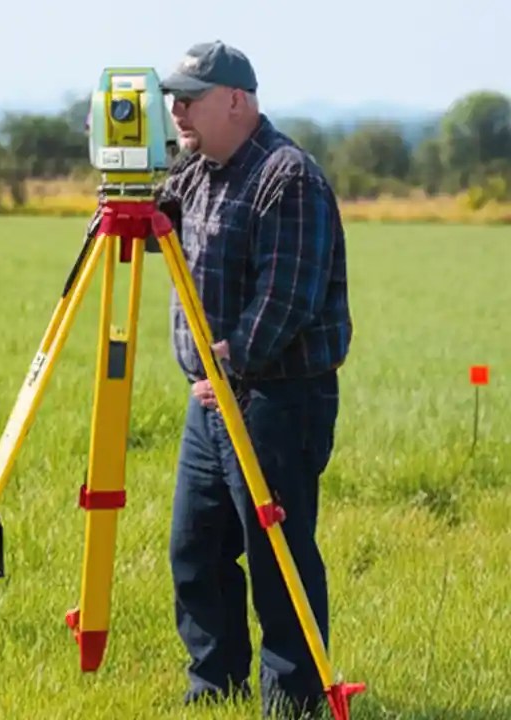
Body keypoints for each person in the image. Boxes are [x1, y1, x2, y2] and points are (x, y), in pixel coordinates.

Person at [152, 40, 353, 718]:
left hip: (276, 398)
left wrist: (229, 364)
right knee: (195, 552)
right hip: (209, 401)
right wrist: (121, 191)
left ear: (236, 99)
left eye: (189, 97)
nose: (175, 110)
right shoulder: (195, 170)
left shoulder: (285, 175)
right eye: (171, 97)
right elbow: (156, 226)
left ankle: (291, 701)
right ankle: (215, 689)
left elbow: (287, 295)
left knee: (279, 560)